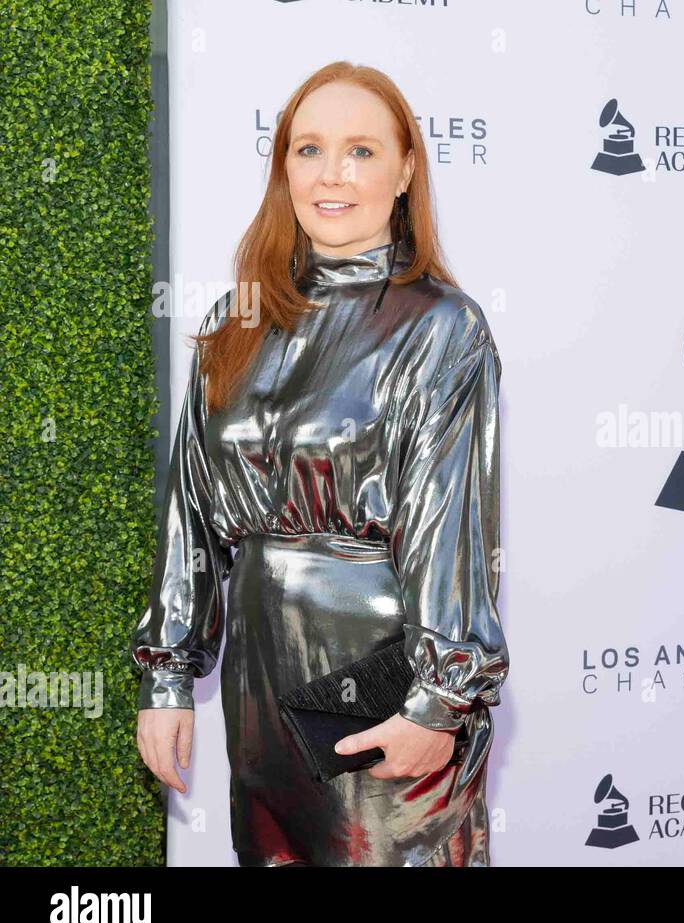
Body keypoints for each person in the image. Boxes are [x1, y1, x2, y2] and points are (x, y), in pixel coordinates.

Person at [130, 61, 507, 867]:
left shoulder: (442, 328)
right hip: (260, 699)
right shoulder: (237, 321)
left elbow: (453, 531)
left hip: (385, 698)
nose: (332, 174)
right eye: (309, 149)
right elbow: (192, 515)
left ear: (406, 171)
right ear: (283, 169)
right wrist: (168, 681)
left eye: (362, 151)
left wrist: (437, 708)